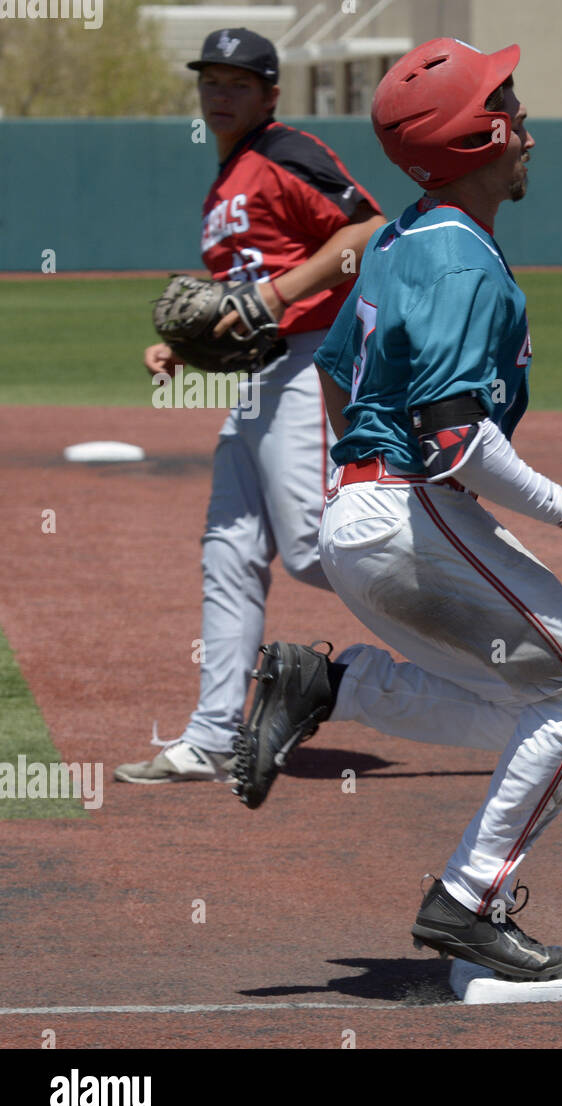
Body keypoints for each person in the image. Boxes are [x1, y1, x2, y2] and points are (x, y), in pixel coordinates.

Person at [230, 39, 562, 982]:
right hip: (413, 511)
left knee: (524, 715)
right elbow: (458, 441)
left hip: (364, 516)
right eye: (509, 107)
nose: (525, 126)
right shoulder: (459, 259)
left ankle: (333, 686)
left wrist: (356, 491)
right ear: (474, 134)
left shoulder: (403, 235)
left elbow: (335, 376)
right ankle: (468, 899)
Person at [115, 28, 385, 785]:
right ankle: (208, 736)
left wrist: (276, 293)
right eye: (212, 81)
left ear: (270, 94)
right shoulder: (226, 179)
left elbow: (368, 229)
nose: (221, 94)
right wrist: (189, 348)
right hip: (263, 374)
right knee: (229, 547)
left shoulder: (285, 152)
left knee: (306, 546)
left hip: (314, 357)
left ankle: (460, 618)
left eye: (240, 82)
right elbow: (241, 302)